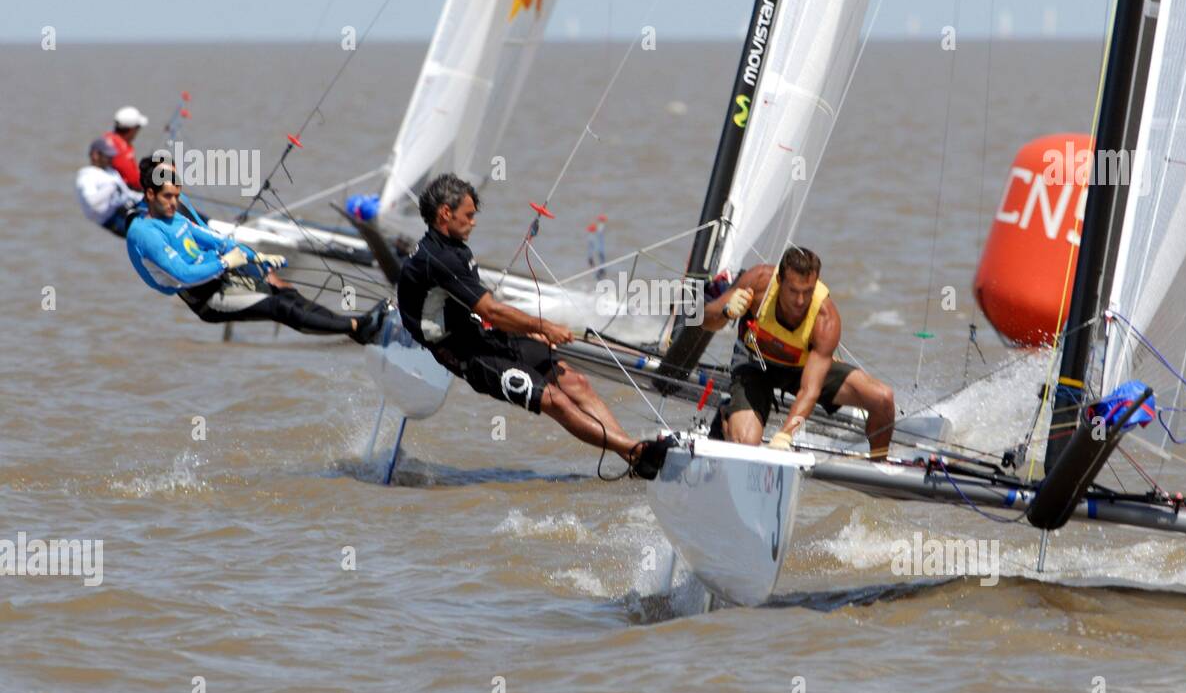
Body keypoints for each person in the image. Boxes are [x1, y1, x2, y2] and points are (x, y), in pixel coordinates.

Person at [396, 173, 668, 479]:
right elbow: (491, 309)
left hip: (487, 334)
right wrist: (544, 326)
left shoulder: (456, 247)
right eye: (469, 215)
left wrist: (525, 330)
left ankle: (635, 459)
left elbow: (485, 311)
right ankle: (638, 452)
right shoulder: (438, 258)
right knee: (555, 400)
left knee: (577, 384)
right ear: (445, 213)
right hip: (467, 355)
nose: (474, 222)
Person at [127, 156, 388, 342]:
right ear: (150, 194)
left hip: (224, 278)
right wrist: (226, 262)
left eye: (177, 195)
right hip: (208, 299)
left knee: (288, 294)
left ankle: (354, 329)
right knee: (278, 308)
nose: (175, 201)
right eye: (168, 196)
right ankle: (358, 325)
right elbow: (183, 274)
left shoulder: (176, 217)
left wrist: (257, 257)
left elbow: (219, 241)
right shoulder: (145, 233)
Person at [701, 246, 895, 458]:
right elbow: (705, 320)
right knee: (745, 443)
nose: (801, 301)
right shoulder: (758, 283)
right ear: (779, 282)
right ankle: (727, 413)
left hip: (802, 370)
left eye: (808, 292)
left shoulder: (826, 319)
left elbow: (810, 391)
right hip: (755, 364)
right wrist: (726, 311)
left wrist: (786, 435)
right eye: (793, 291)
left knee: (882, 399)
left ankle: (879, 465)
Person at [75, 137, 141, 238]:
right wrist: (110, 188)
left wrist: (145, 197)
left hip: (129, 207)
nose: (111, 159)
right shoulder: (86, 176)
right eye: (108, 155)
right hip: (112, 220)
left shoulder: (112, 171)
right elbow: (91, 202)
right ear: (95, 155)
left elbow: (127, 193)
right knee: (145, 234)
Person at [103, 106, 148, 191]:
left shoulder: (108, 138)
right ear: (132, 130)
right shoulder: (121, 150)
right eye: (138, 128)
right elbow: (135, 181)